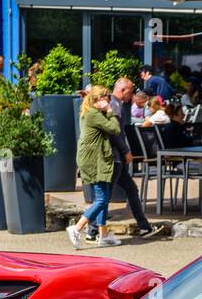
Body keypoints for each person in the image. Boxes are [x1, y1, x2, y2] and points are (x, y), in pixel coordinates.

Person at [108, 76, 164, 238]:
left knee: (130, 189)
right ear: (122, 90)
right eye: (131, 92)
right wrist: (126, 151)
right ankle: (90, 229)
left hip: (117, 156)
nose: (132, 96)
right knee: (105, 195)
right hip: (115, 157)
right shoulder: (115, 106)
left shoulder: (117, 104)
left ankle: (144, 226)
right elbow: (115, 133)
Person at [69, 86, 121, 249]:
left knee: (103, 198)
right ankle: (77, 228)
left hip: (97, 158)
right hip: (93, 160)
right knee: (102, 199)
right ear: (98, 100)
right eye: (106, 98)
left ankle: (103, 235)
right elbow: (115, 128)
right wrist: (110, 110)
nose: (109, 101)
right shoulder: (92, 114)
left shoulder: (93, 112)